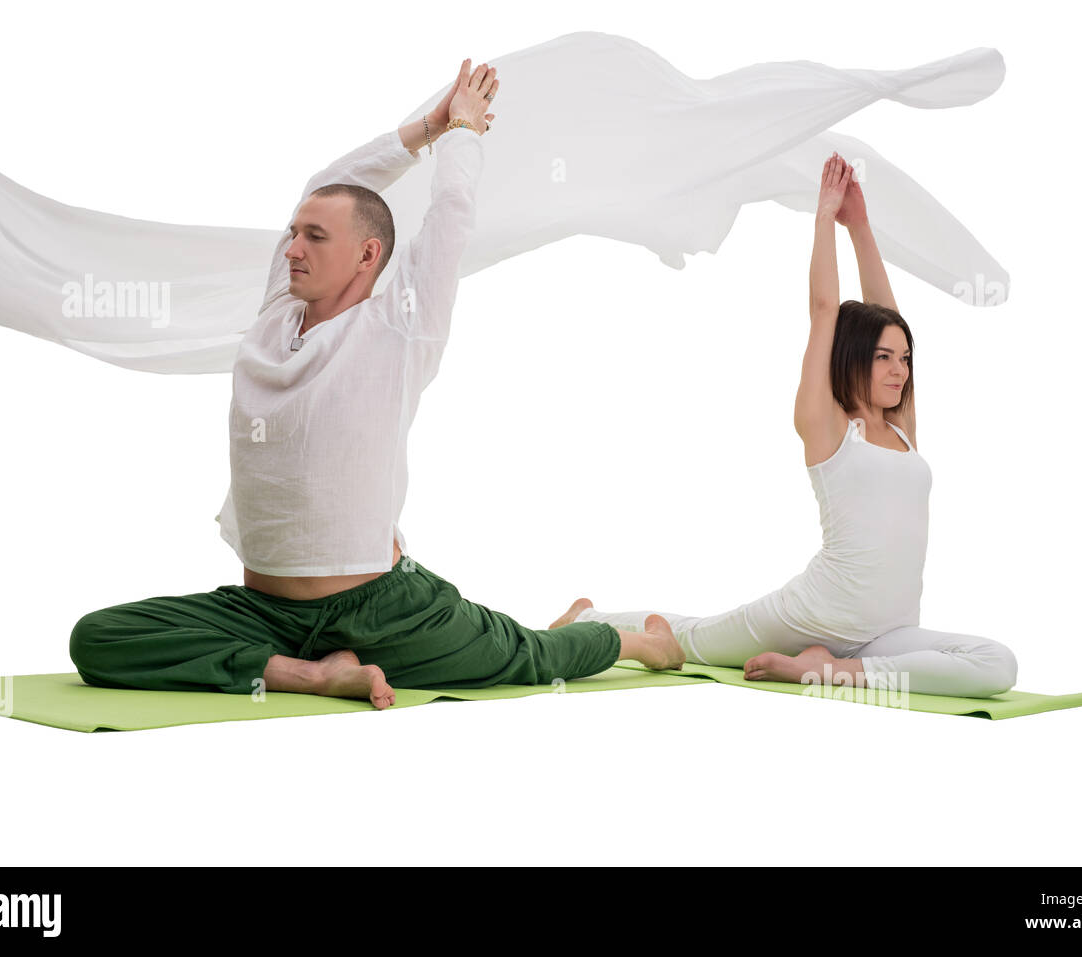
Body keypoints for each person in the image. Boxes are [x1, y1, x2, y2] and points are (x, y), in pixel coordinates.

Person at [69, 59, 683, 710]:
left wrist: (463, 133)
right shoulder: (277, 313)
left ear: (367, 256)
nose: (293, 250)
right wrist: (425, 127)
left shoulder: (397, 328)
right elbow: (332, 184)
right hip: (263, 611)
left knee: (528, 659)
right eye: (294, 234)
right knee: (97, 638)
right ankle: (306, 673)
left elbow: (450, 213)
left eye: (315, 238)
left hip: (383, 613)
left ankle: (634, 642)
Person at [553, 152, 1017, 698]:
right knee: (690, 642)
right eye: (884, 358)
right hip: (814, 615)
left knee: (997, 664)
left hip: (884, 634)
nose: (899, 370)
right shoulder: (828, 427)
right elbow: (825, 310)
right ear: (852, 358)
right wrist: (824, 219)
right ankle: (589, 618)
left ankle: (829, 670)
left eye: (905, 359)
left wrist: (862, 227)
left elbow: (890, 318)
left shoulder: (901, 427)